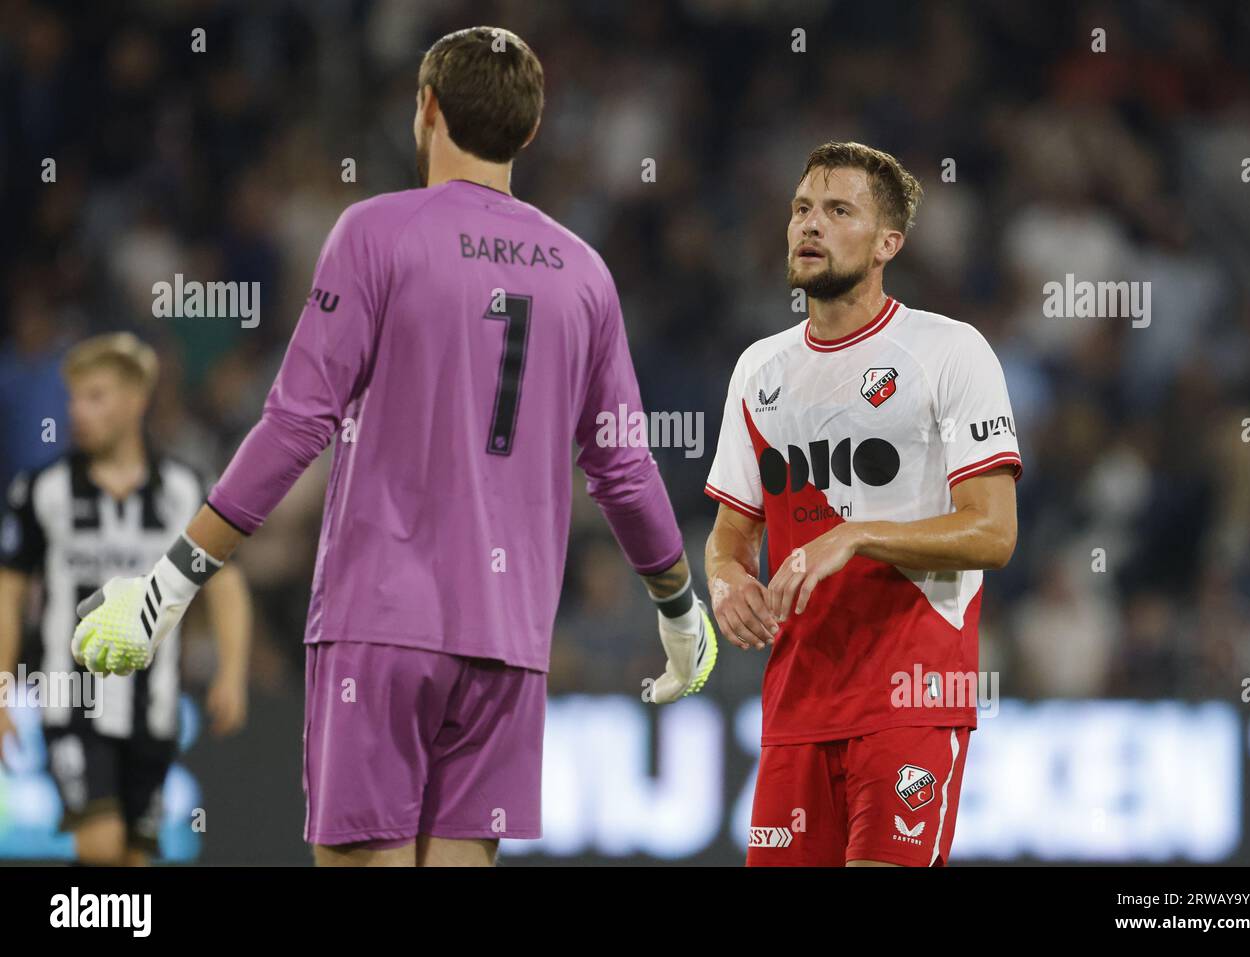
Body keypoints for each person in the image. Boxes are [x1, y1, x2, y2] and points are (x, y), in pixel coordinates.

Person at [68, 27, 716, 868]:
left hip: (382, 622)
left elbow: (297, 421)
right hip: (508, 641)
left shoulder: (376, 232)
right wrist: (677, 609)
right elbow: (624, 466)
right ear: (529, 130)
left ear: (428, 110)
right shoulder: (585, 273)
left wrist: (168, 584)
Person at [704, 142, 1021, 867]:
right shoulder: (759, 368)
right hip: (796, 702)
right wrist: (727, 584)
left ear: (888, 244)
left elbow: (995, 532)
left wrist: (856, 535)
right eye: (801, 209)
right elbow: (729, 537)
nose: (809, 226)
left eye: (837, 210)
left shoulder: (949, 351)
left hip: (911, 693)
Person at [0, 332, 251, 865]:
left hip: (154, 710)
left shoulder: (184, 488)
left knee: (134, 858)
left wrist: (232, 669)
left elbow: (226, 582)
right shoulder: (42, 490)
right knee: (100, 845)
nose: (77, 411)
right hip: (71, 704)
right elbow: (10, 588)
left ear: (137, 400)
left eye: (95, 396)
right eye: (73, 398)